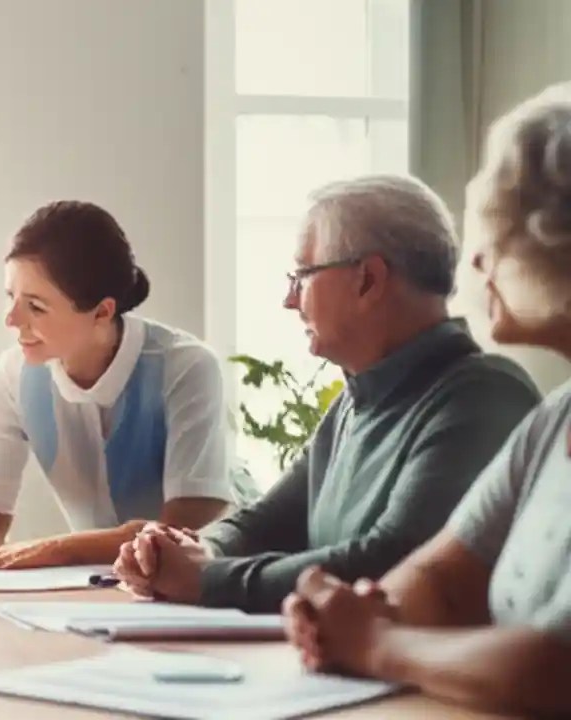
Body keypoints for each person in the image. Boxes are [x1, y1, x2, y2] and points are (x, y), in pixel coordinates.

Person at [113, 175, 541, 612]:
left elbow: (392, 561)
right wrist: (183, 550)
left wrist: (207, 578)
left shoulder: (482, 396)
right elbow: (265, 522)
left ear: (368, 280)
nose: (289, 299)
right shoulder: (355, 400)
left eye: (302, 275)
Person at [283, 83, 571, 717]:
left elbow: (553, 665)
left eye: (506, 228)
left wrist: (376, 644)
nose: (477, 259)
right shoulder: (555, 417)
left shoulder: (484, 390)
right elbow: (439, 577)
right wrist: (354, 613)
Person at [0, 200, 236, 570]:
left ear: (102, 311)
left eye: (36, 306)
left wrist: (57, 549)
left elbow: (184, 528)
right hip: (109, 583)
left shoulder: (186, 367)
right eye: (11, 297)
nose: (11, 319)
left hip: (216, 578)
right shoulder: (13, 378)